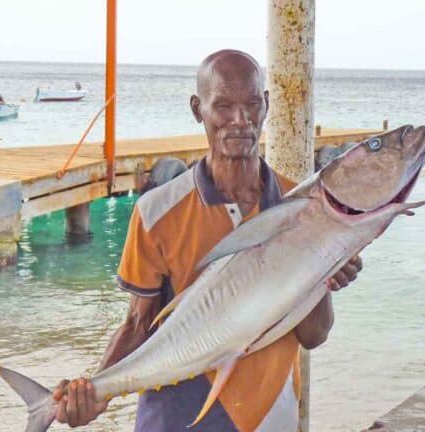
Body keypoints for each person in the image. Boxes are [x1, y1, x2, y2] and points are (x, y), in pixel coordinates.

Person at [52, 49, 363, 431]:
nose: (240, 120)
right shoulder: (156, 211)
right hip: (175, 422)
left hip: (271, 419)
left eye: (252, 104)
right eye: (223, 106)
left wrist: (325, 273)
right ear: (197, 109)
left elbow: (314, 335)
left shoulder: (299, 206)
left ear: (267, 105)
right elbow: (138, 322)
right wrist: (94, 393)